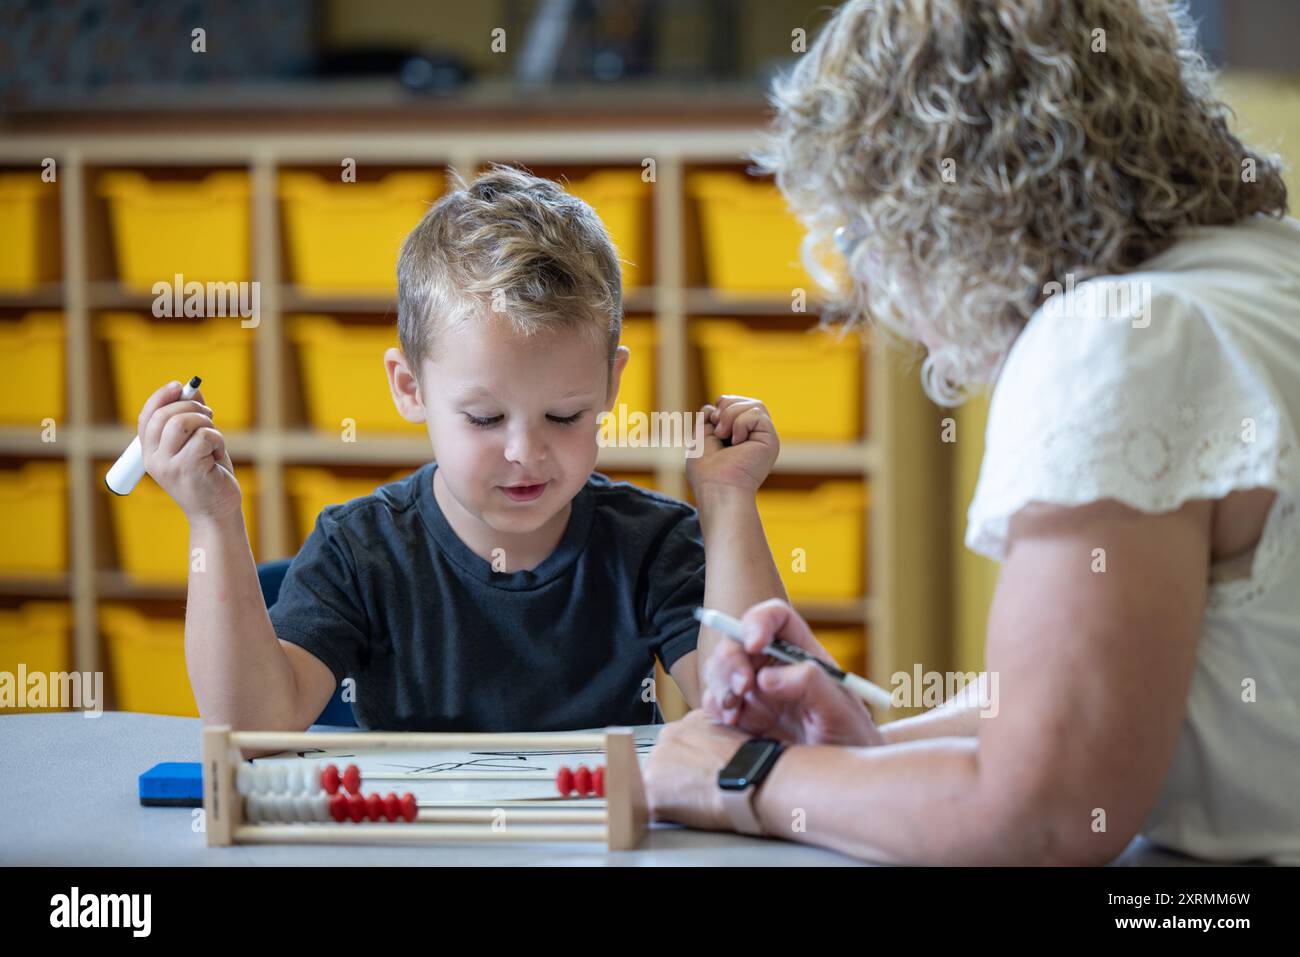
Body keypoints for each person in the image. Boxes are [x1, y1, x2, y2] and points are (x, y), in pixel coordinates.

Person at [646, 0, 1300, 865]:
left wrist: (741, 777)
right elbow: (1104, 695)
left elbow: (1042, 812)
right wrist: (861, 758)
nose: (873, 286)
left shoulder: (1115, 340)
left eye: (856, 233)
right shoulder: (1262, 267)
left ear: (933, 212)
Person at [134, 165, 788, 733]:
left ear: (611, 384)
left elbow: (751, 707)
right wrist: (212, 518)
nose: (526, 452)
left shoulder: (651, 542)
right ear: (409, 387)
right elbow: (251, 721)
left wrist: (728, 501)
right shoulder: (359, 549)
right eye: (484, 417)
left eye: (565, 415)